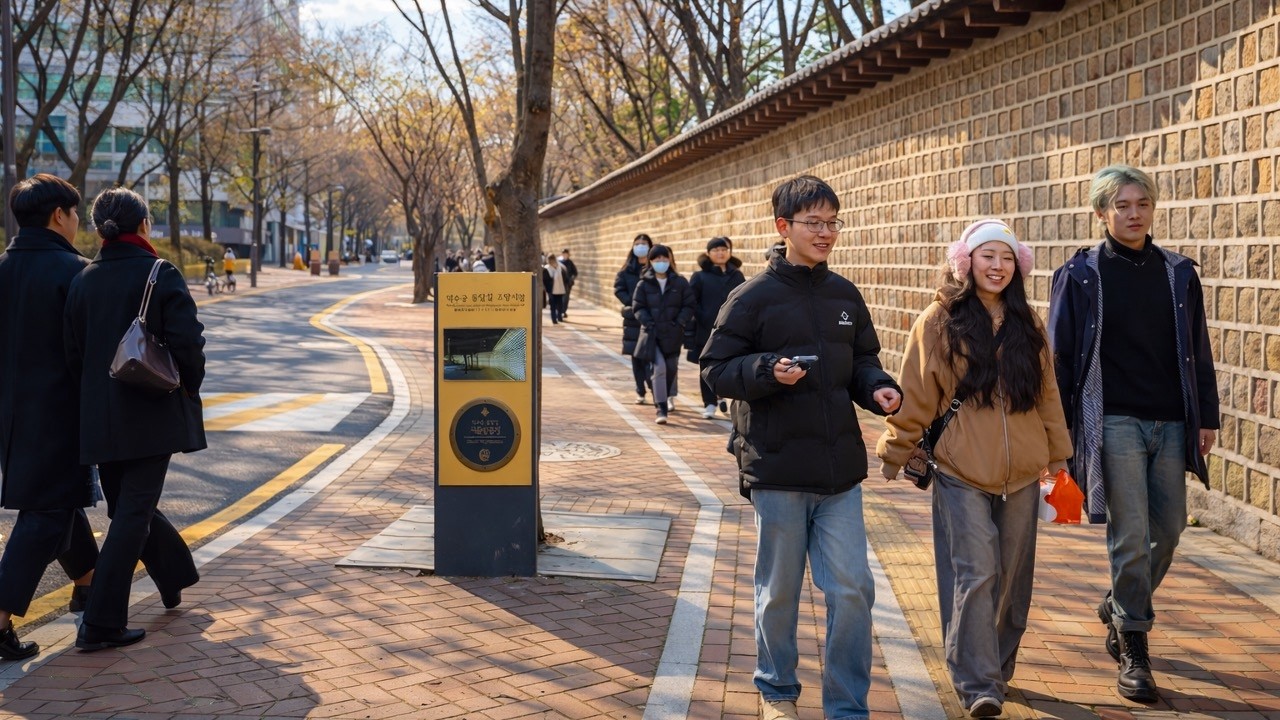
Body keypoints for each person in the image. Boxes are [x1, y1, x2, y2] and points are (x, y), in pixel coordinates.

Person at [701, 175, 901, 720]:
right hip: (778, 468)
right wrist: (767, 370)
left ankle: (847, 706)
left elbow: (861, 362)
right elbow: (715, 369)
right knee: (779, 593)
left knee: (854, 590)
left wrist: (878, 386)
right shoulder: (752, 297)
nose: (827, 232)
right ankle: (776, 691)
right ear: (783, 227)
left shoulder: (844, 295)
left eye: (833, 222)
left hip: (840, 473)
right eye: (815, 223)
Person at [877, 219, 1072, 718]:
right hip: (960, 470)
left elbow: (1047, 395)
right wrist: (896, 449)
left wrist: (1058, 457)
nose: (998, 266)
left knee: (1011, 578)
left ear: (1018, 265)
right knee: (976, 571)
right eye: (988, 256)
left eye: (1006, 258)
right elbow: (917, 393)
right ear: (966, 261)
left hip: (1024, 474)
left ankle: (998, 666)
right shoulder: (938, 322)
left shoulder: (1029, 324)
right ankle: (977, 680)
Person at [1048, 164, 1219, 704]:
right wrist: (1062, 430)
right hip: (1112, 419)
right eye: (1121, 205)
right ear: (1102, 213)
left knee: (1167, 528)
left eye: (1141, 203)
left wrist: (1206, 415)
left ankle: (1118, 604)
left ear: (1152, 208)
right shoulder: (1079, 275)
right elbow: (1058, 356)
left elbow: (1199, 347)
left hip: (1170, 420)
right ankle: (1134, 646)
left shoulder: (1178, 273)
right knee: (1128, 532)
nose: (1133, 213)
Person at [63, 187, 206, 652]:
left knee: (127, 507)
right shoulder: (160, 273)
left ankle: (174, 574)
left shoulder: (83, 279)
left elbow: (73, 353)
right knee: (131, 513)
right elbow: (188, 342)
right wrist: (189, 385)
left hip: (99, 415)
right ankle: (102, 622)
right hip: (149, 411)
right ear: (143, 225)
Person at [0, 174, 100, 661]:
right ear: (59, 216)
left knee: (60, 503)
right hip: (61, 413)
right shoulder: (76, 271)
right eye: (76, 214)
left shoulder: (2, 269)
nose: (79, 222)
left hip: (11, 415)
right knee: (45, 515)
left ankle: (90, 587)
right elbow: (91, 353)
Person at [632, 245, 695, 424]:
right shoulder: (644, 283)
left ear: (670, 260)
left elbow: (689, 305)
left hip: (673, 334)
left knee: (671, 369)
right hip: (652, 334)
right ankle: (661, 408)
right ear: (651, 262)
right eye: (657, 260)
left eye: (664, 259)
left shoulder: (680, 282)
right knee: (659, 368)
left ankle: (663, 395)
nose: (661, 263)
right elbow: (638, 306)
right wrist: (648, 322)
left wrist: (680, 322)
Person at [687, 236, 744, 419]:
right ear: (709, 253)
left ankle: (722, 396)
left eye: (724, 249)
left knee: (730, 364)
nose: (720, 253)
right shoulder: (700, 277)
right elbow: (691, 301)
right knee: (707, 367)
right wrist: (703, 316)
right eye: (716, 250)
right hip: (706, 329)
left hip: (732, 329)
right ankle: (709, 402)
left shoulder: (737, 275)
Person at [614, 234, 653, 404]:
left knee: (651, 357)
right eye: (638, 244)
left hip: (653, 318)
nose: (641, 246)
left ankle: (655, 388)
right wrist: (632, 302)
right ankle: (641, 390)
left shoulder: (656, 268)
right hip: (633, 319)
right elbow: (618, 289)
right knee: (636, 357)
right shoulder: (626, 270)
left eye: (644, 244)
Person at [541, 254, 568, 324]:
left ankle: (559, 317)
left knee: (560, 304)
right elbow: (545, 280)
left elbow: (565, 278)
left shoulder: (560, 267)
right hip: (551, 291)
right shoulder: (547, 269)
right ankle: (554, 319)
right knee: (553, 305)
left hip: (560, 289)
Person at [559, 248, 578, 317]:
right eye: (563, 254)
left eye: (566, 254)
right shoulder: (559, 262)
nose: (565, 255)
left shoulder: (570, 263)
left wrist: (571, 279)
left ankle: (563, 311)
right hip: (560, 283)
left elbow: (575, 273)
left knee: (566, 298)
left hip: (567, 284)